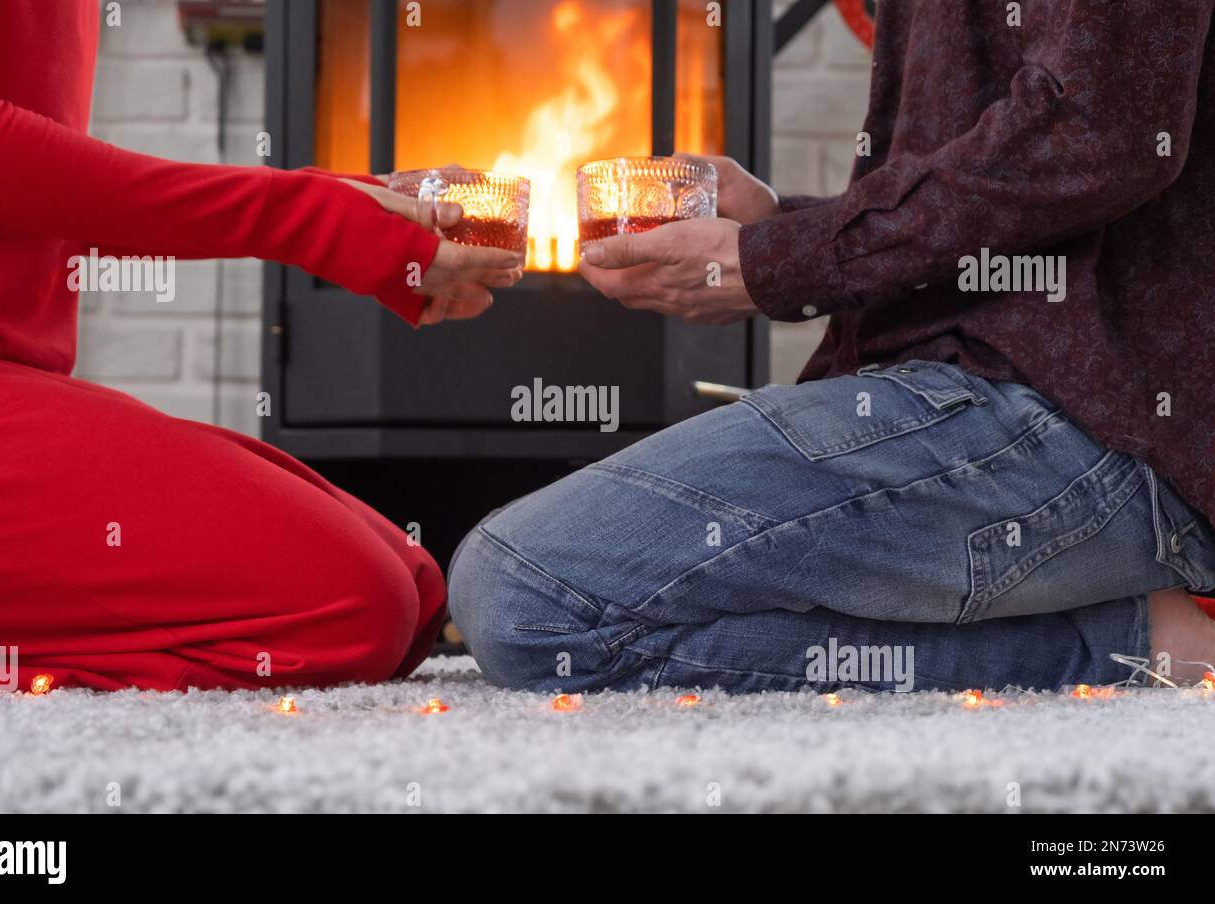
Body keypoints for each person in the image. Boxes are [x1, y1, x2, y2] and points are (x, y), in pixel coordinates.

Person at [448, 0, 1215, 693]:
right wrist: (780, 227)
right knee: (535, 594)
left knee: (528, 595)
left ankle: (1126, 644)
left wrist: (776, 263)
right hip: (957, 386)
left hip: (1092, 423)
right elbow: (1003, 194)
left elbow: (1099, 133)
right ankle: (1117, 625)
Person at [0, 1, 522, 691]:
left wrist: (347, 205)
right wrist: (302, 218)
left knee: (408, 585)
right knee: (351, 602)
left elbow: (23, 194)